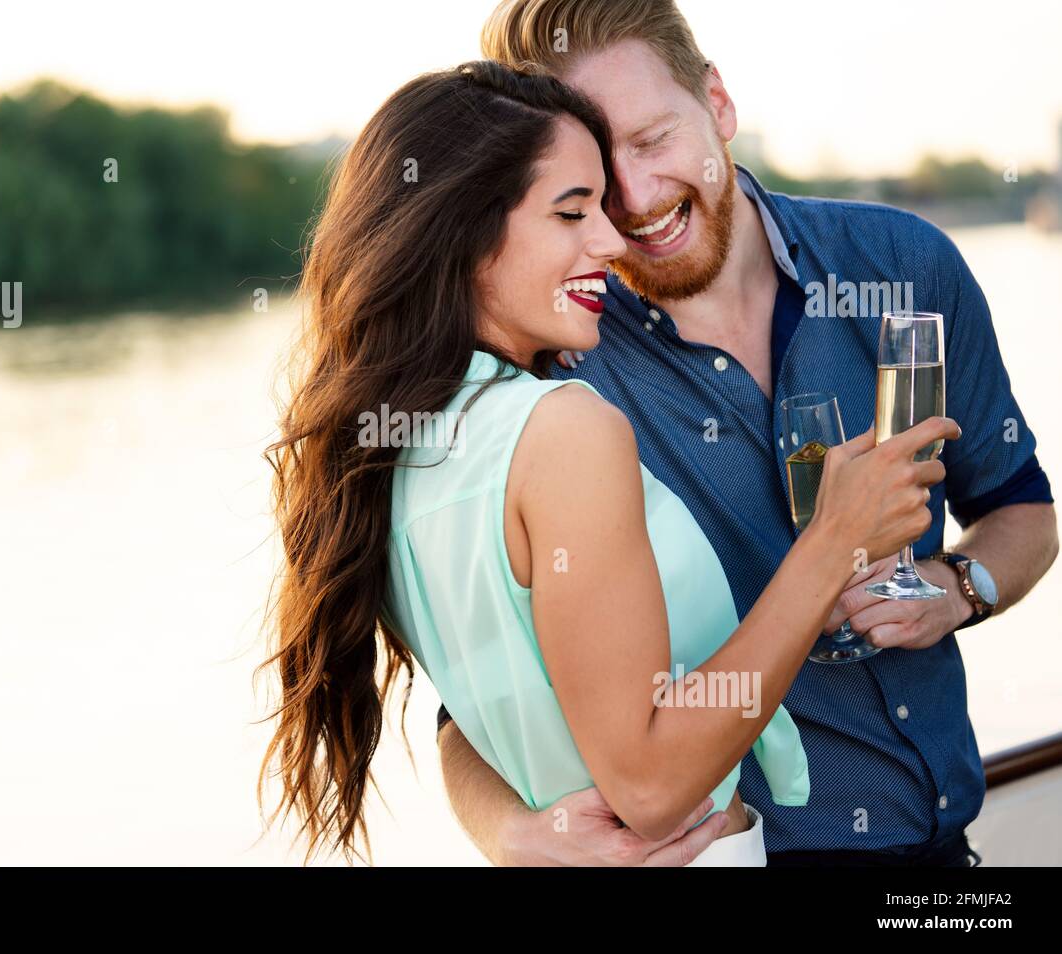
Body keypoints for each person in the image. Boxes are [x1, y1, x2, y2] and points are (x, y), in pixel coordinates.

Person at [256, 58, 958, 865]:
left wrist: (518, 832)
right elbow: (653, 789)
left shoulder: (399, 443)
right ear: (466, 229)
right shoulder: (564, 430)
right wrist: (833, 541)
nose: (610, 238)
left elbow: (496, 698)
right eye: (571, 212)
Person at [429, 0, 1058, 867]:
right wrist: (506, 834)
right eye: (594, 174)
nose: (637, 198)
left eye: (653, 140)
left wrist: (962, 585)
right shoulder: (556, 373)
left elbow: (1024, 508)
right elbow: (474, 693)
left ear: (717, 102)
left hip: (946, 864)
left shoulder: (905, 266)